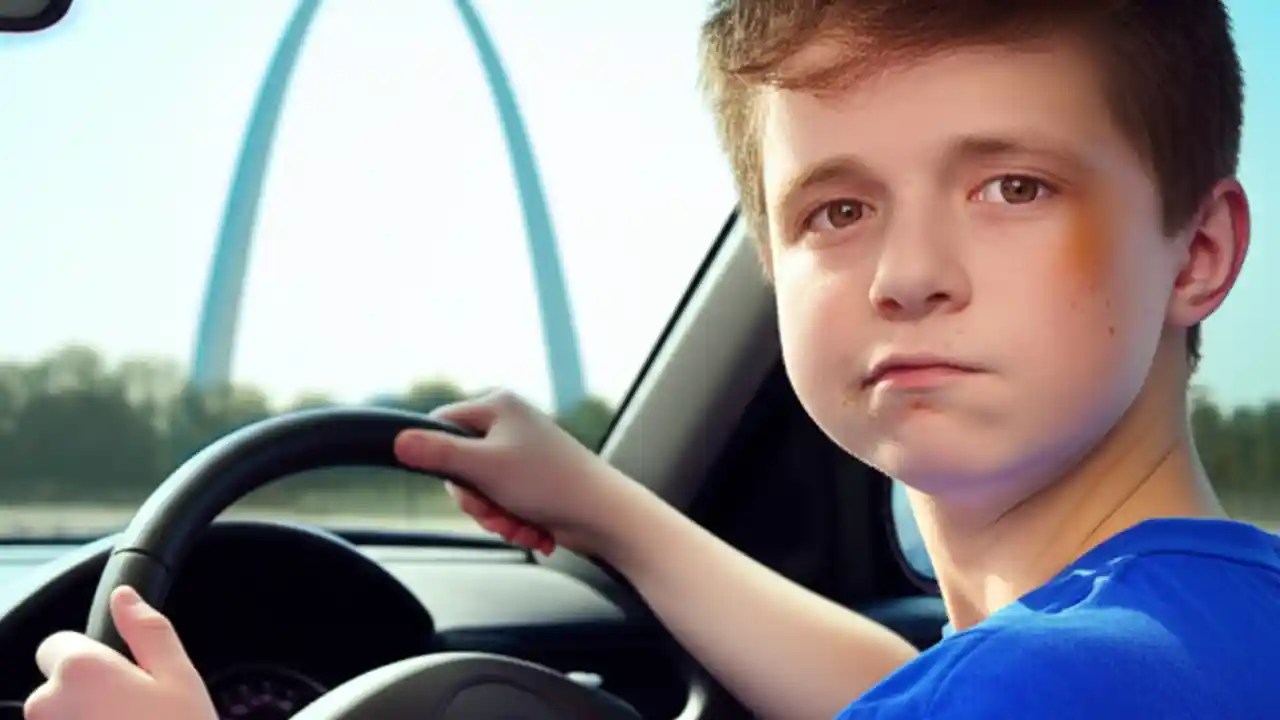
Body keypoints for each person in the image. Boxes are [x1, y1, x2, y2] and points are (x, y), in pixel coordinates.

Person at [24, 1, 1280, 718]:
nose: (909, 273)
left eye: (1012, 186)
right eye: (836, 212)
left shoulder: (1048, 686)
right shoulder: (1203, 626)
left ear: (1195, 251)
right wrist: (603, 508)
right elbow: (901, 687)